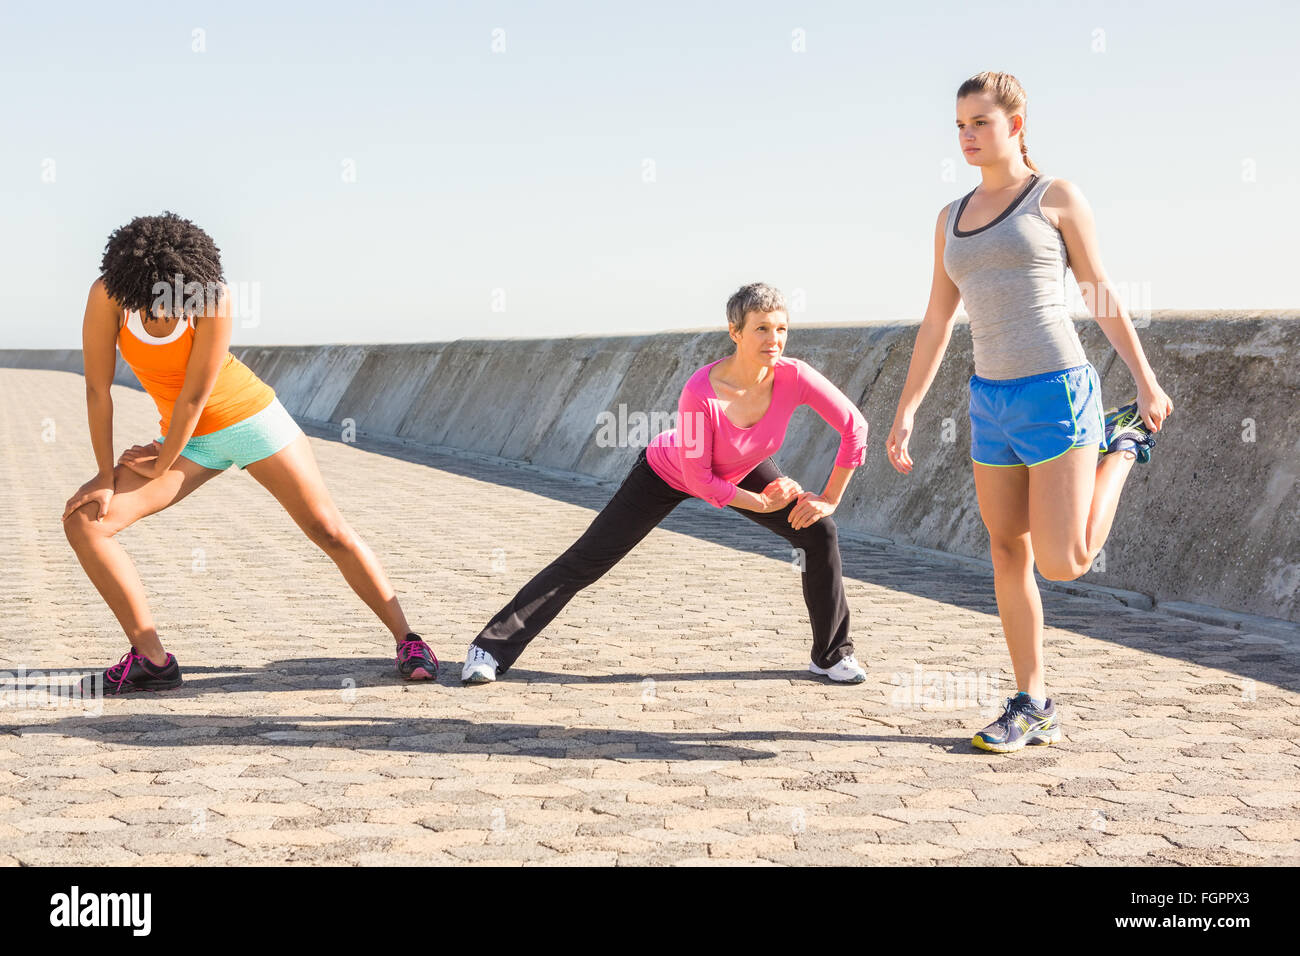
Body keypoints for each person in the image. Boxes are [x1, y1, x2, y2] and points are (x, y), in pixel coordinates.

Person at [886, 72, 1174, 752]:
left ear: (1016, 124)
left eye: (981, 122)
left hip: (1057, 390)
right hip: (990, 398)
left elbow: (1099, 289)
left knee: (1067, 561)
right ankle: (1031, 700)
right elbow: (936, 320)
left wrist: (1145, 380)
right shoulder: (949, 218)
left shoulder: (1056, 198)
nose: (967, 135)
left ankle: (1124, 445)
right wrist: (907, 410)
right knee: (1005, 547)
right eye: (960, 124)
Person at [61, 211, 437, 693]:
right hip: (189, 439)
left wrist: (162, 461)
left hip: (251, 421)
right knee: (87, 520)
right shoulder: (109, 293)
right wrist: (102, 476)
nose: (169, 306)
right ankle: (153, 660)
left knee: (329, 531)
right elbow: (97, 388)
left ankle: (409, 640)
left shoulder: (212, 297)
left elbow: (196, 396)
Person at [461, 283, 870, 684]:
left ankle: (831, 655)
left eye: (781, 328)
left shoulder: (794, 377)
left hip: (743, 464)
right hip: (669, 471)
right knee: (588, 560)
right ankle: (489, 649)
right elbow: (701, 481)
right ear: (736, 332)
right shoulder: (701, 392)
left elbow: (855, 427)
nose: (773, 339)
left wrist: (829, 498)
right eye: (761, 328)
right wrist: (763, 504)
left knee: (818, 532)